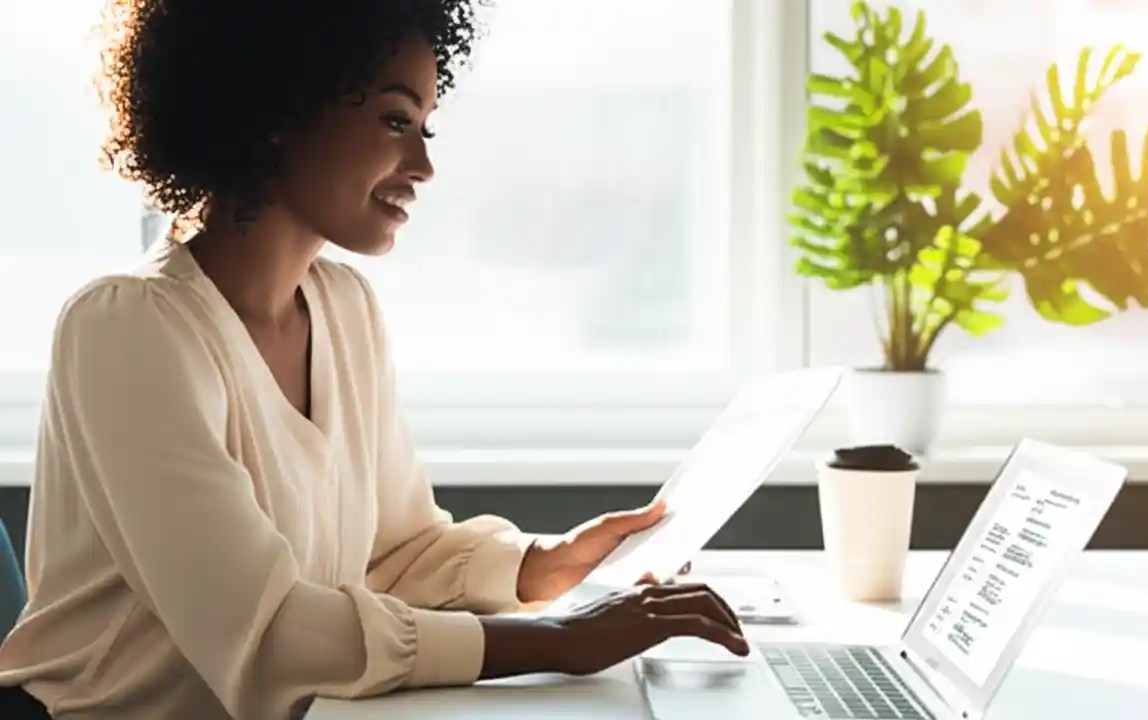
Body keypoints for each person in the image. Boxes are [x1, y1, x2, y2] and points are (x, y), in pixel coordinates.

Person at [0, 1, 747, 718]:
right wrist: (561, 641)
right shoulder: (128, 331)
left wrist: (546, 565)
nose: (422, 164)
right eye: (395, 120)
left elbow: (393, 554)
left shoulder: (344, 307)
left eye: (425, 127)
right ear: (275, 112)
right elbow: (269, 638)